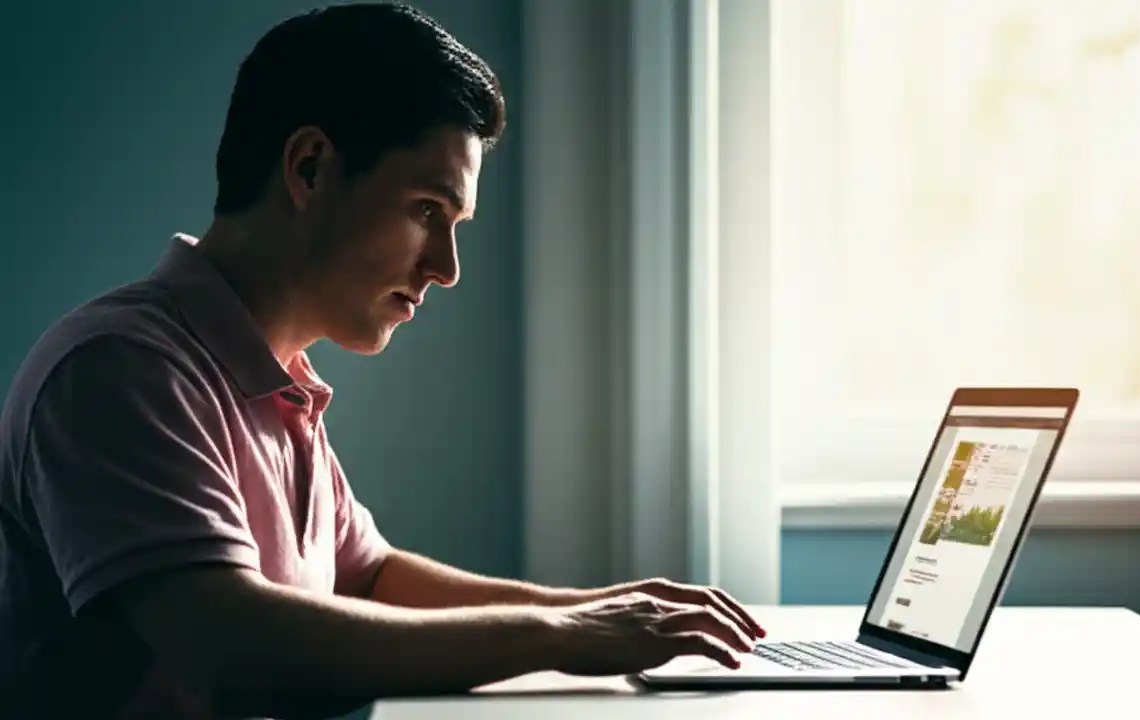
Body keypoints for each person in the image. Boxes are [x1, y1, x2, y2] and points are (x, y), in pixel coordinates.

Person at [0, 4, 765, 718]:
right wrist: (556, 636)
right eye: (428, 211)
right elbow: (227, 647)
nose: (447, 267)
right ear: (308, 168)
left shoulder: (278, 379)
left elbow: (370, 577)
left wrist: (587, 611)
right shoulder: (119, 369)